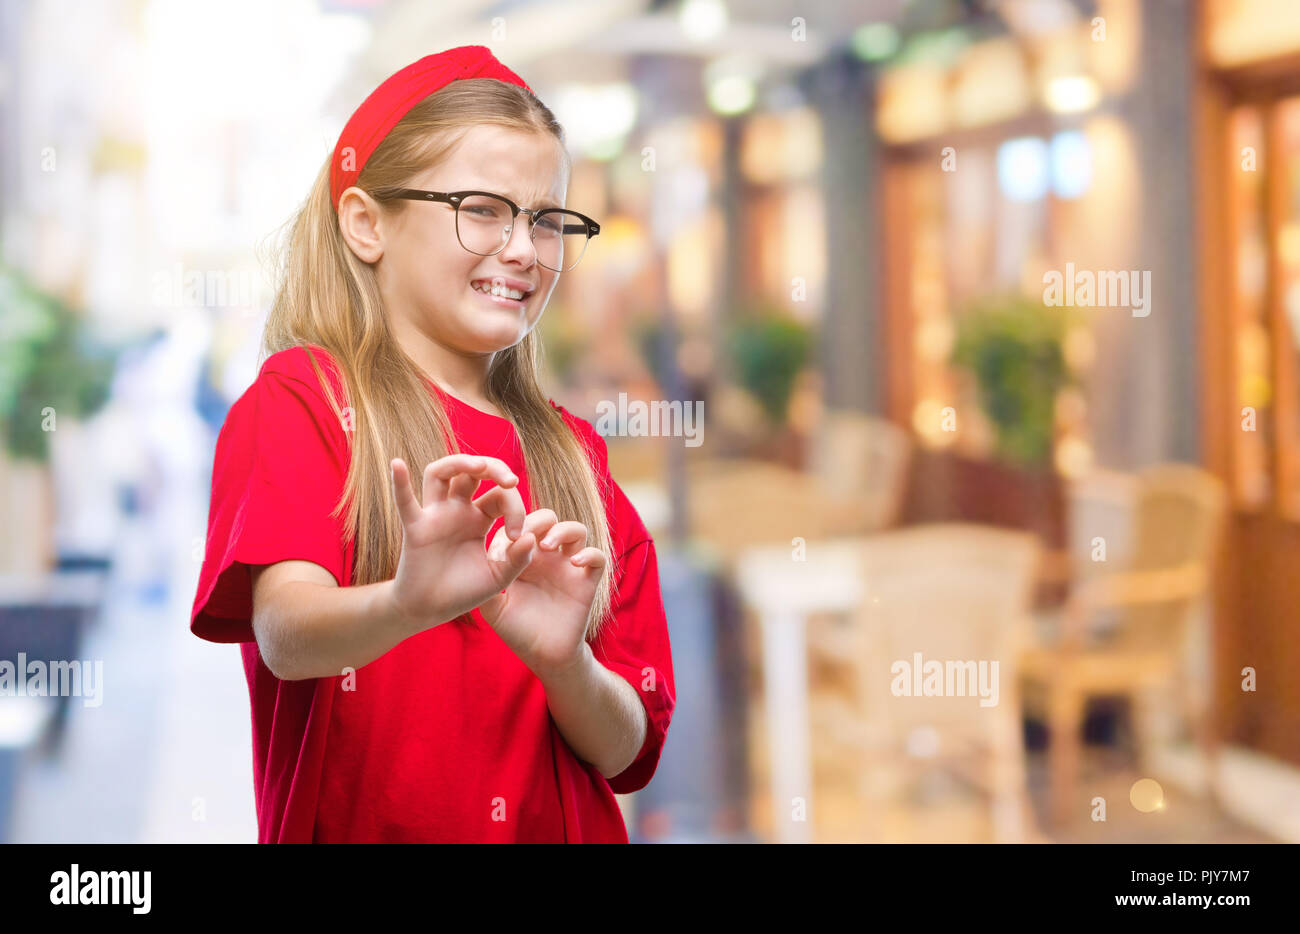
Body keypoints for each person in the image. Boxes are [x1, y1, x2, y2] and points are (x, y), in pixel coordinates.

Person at [189, 46, 675, 843]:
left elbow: (629, 748)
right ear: (367, 222)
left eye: (547, 218)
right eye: (483, 208)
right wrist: (407, 602)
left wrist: (565, 665)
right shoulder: (306, 400)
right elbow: (286, 634)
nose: (523, 248)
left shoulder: (574, 455)